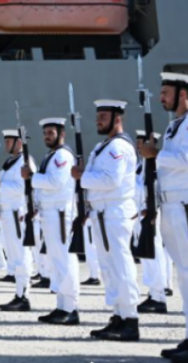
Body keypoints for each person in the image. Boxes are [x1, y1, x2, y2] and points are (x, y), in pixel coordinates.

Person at [137, 73, 188, 363]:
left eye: (166, 92)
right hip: (172, 205)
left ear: (182, 94)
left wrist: (154, 154)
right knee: (185, 275)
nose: (161, 97)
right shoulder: (177, 125)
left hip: (187, 205)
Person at [73, 99, 141, 342]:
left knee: (121, 266)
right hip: (102, 213)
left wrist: (82, 176)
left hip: (115, 212)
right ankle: (118, 315)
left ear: (117, 118)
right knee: (109, 268)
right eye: (98, 116)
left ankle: (130, 319)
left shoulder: (118, 147)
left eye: (103, 117)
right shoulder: (103, 146)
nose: (98, 121)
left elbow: (111, 180)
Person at [31, 118, 81, 325]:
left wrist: (31, 177)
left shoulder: (62, 155)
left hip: (60, 214)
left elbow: (56, 182)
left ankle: (70, 307)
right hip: (51, 213)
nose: (46, 137)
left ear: (62, 134)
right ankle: (61, 305)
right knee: (56, 260)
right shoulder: (51, 155)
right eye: (45, 133)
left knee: (64, 259)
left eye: (51, 133)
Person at [134, 130, 173, 315]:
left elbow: (158, 188)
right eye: (138, 143)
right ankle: (153, 292)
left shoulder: (156, 165)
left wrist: (152, 209)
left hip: (152, 215)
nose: (138, 147)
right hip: (141, 215)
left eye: (142, 143)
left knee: (154, 253)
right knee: (147, 255)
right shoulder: (141, 165)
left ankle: (159, 296)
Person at [0, 128, 34, 311]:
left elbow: (22, 187)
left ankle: (23, 296)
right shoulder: (10, 162)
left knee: (21, 255)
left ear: (19, 143)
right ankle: (18, 293)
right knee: (13, 256)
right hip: (7, 214)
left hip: (17, 214)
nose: (6, 145)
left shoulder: (25, 162)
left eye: (8, 141)